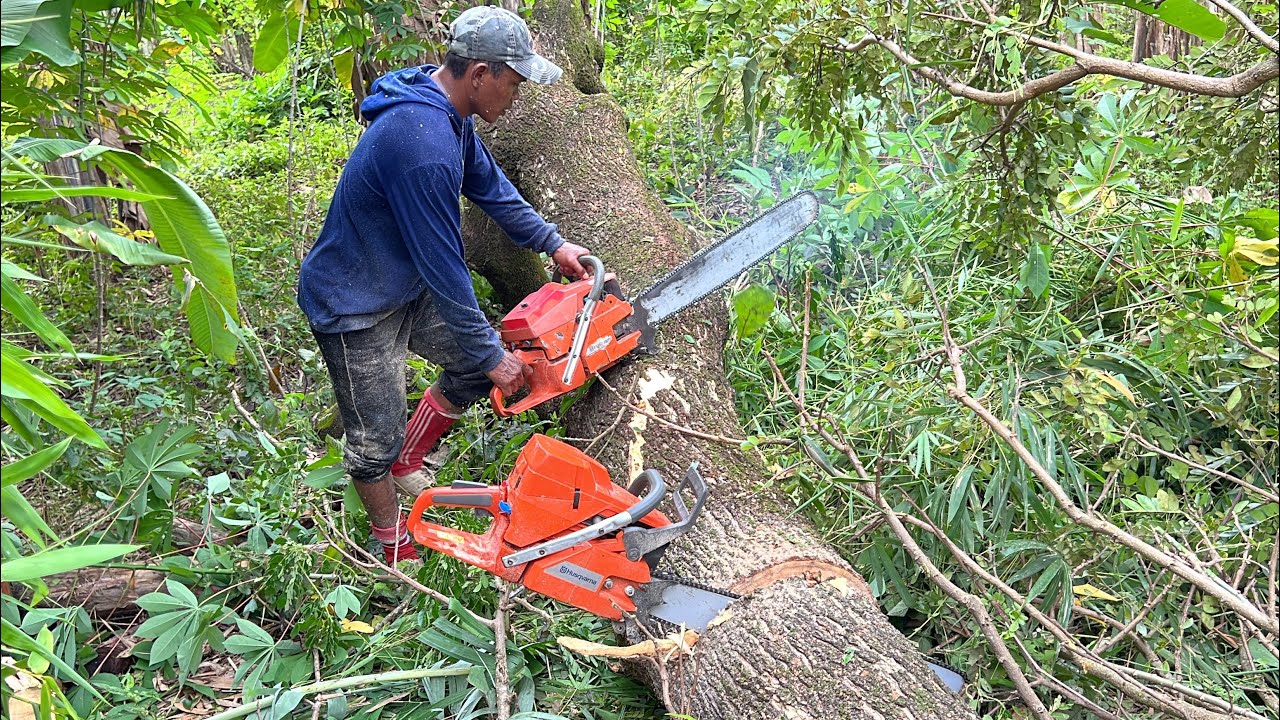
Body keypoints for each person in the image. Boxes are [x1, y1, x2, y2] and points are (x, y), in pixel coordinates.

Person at [297, 5, 590, 563]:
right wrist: (490, 355)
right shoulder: (421, 143)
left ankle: (411, 463)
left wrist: (553, 243)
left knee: (469, 368)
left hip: (402, 286)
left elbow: (490, 186)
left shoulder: (450, 116)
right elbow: (443, 266)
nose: (518, 95)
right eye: (514, 81)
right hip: (355, 306)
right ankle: (392, 544)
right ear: (480, 74)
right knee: (373, 443)